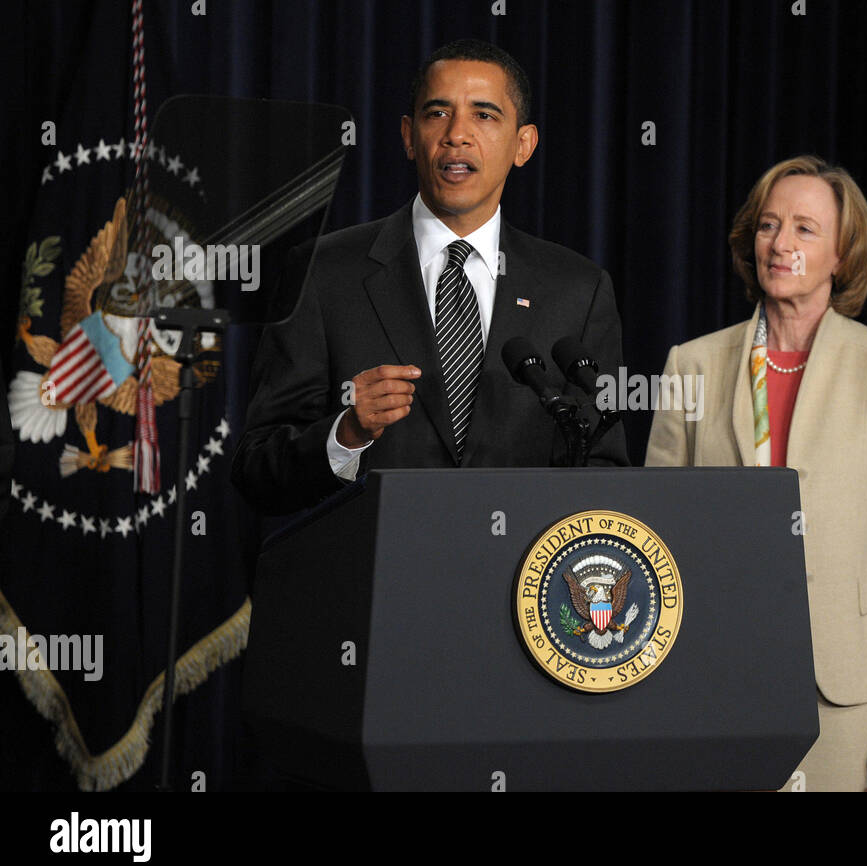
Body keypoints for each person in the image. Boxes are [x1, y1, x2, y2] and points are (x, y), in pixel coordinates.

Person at [644, 155, 867, 791]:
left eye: (805, 229)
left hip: (849, 694)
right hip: (713, 677)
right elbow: (656, 532)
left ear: (843, 253)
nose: (780, 244)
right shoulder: (691, 365)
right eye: (767, 226)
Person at [233, 39, 627, 515]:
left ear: (523, 145)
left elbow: (603, 469)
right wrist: (346, 434)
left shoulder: (578, 290)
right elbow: (256, 469)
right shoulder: (323, 272)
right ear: (407, 135)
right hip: (370, 577)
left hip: (516, 579)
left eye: (484, 115)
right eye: (437, 113)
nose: (456, 135)